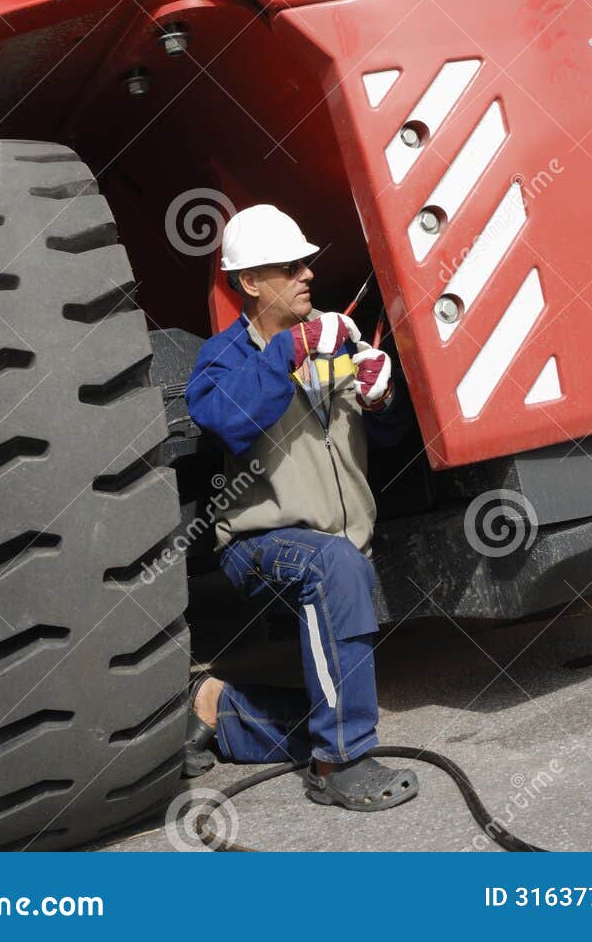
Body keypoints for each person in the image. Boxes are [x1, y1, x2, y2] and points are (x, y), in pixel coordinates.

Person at [183, 203, 418, 811]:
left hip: (341, 545)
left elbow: (386, 441)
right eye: (288, 267)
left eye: (306, 262)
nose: (307, 273)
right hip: (258, 545)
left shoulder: (337, 341)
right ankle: (340, 762)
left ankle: (223, 710)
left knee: (338, 583)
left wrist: (383, 399)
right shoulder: (223, 358)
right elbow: (226, 422)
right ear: (249, 282)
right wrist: (291, 349)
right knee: (332, 566)